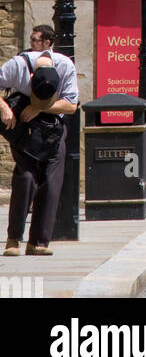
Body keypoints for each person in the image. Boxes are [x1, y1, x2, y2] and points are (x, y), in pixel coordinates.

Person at [0, 23, 78, 256]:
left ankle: (39, 242)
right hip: (23, 129)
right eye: (31, 40)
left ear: (48, 44)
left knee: (51, 184)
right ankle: (13, 240)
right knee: (25, 179)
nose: (32, 45)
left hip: (53, 130)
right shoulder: (18, 64)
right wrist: (3, 106)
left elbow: (71, 105)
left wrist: (40, 106)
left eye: (37, 40)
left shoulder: (64, 65)